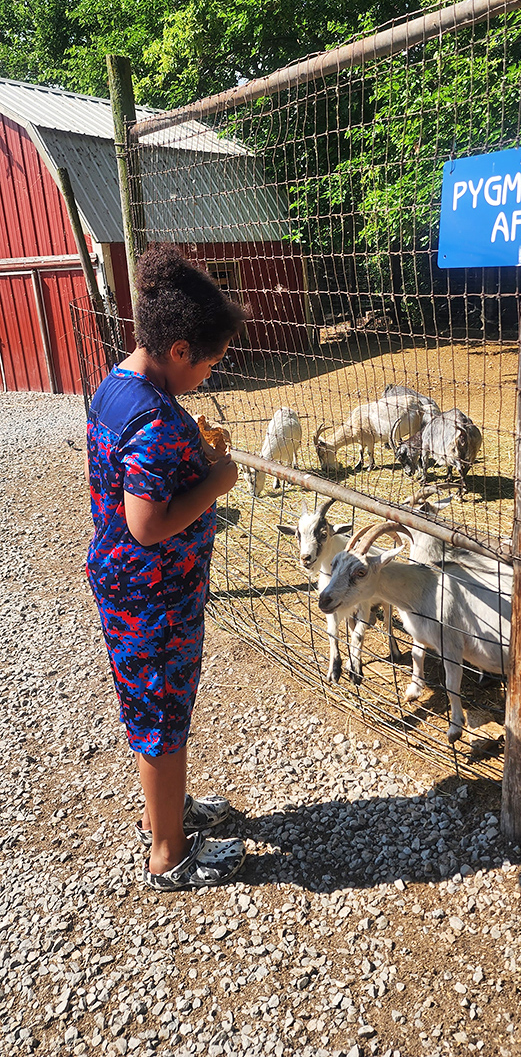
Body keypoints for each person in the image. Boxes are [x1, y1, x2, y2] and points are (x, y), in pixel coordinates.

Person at [86, 245, 248, 891]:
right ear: (179, 349)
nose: (210, 374)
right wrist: (219, 479)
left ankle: (169, 811)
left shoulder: (119, 387)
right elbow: (147, 523)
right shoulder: (153, 419)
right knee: (160, 720)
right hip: (152, 596)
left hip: (132, 586)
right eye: (209, 362)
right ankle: (169, 856)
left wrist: (193, 448)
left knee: (159, 714)